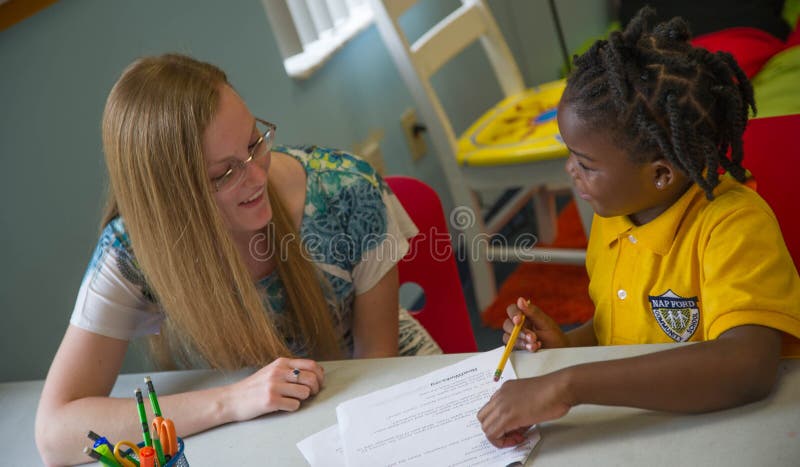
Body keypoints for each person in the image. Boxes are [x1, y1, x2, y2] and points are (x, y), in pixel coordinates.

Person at [35, 53, 440, 466]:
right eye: (222, 174)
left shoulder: (346, 191)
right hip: (260, 419)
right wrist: (231, 400)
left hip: (374, 390)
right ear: (169, 198)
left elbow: (376, 370)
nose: (257, 176)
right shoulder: (132, 253)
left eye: (253, 143)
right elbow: (56, 433)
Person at [478, 7, 800, 448]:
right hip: (647, 432)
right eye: (569, 153)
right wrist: (570, 345)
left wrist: (568, 383)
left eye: (586, 164)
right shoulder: (614, 219)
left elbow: (747, 366)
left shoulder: (732, 225)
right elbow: (624, 329)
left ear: (661, 174)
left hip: (741, 433)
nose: (570, 171)